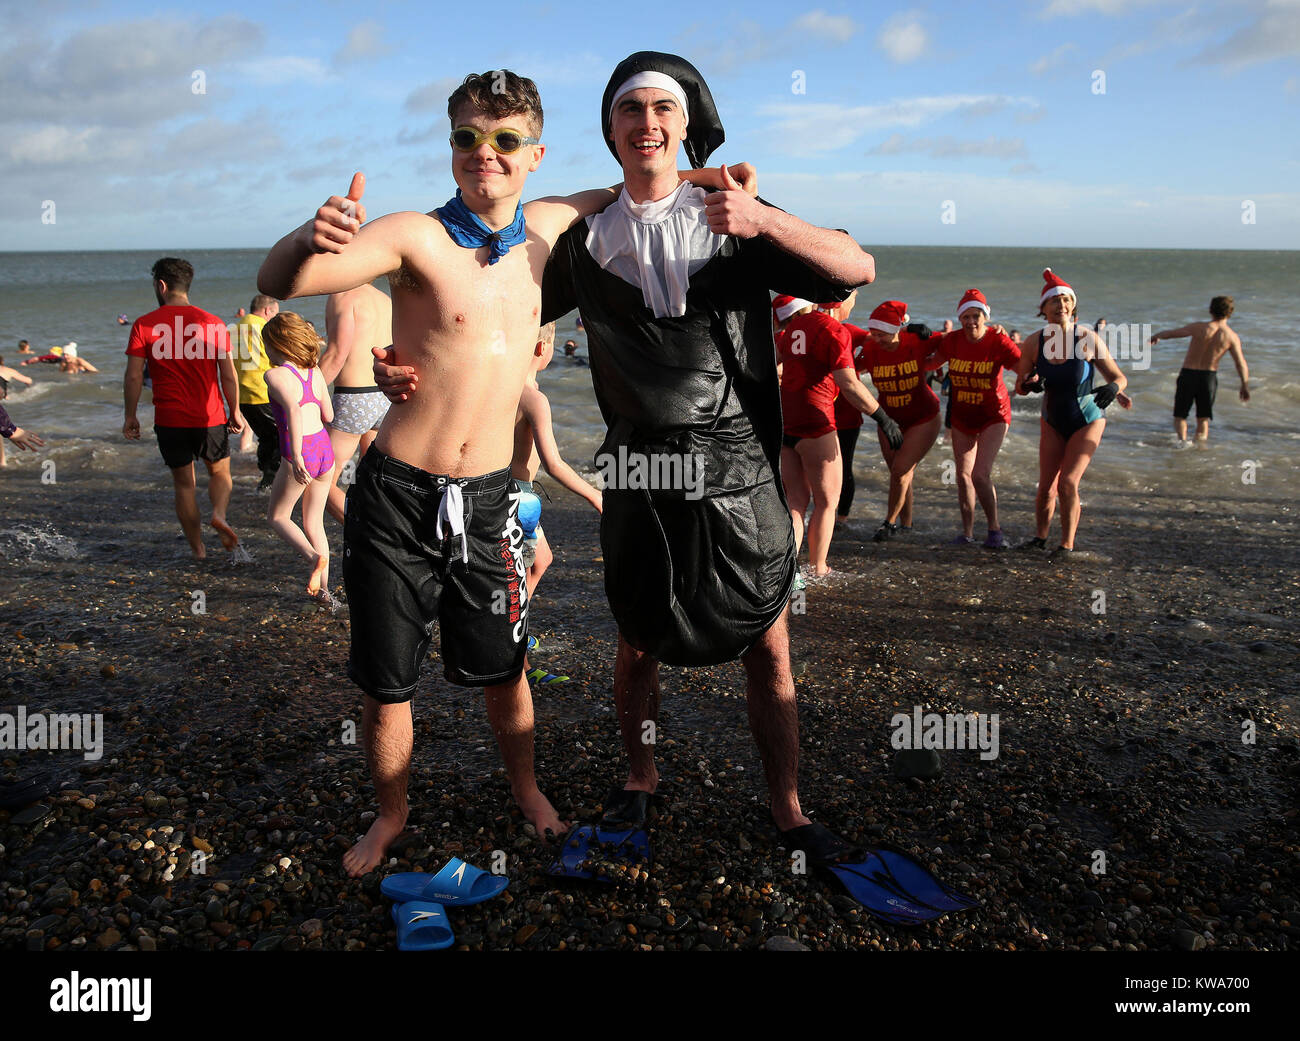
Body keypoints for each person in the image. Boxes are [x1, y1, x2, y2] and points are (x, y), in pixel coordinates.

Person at [261, 69, 737, 876]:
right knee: (387, 682)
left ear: (535, 154)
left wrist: (714, 179)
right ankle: (391, 815)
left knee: (507, 669)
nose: (486, 153)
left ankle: (528, 791)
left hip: (488, 503)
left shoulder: (554, 225)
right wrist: (312, 236)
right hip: (398, 494)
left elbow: (634, 183)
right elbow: (282, 283)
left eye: (505, 140)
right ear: (450, 148)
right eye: (467, 138)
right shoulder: (415, 234)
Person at [533, 52, 878, 857]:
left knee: (769, 642)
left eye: (663, 107)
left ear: (687, 124)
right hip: (639, 469)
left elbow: (855, 266)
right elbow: (492, 317)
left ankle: (788, 805)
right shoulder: (583, 244)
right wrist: (407, 369)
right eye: (630, 110)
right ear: (611, 130)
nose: (646, 120)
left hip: (741, 463)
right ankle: (640, 779)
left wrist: (764, 220)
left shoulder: (735, 213)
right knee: (635, 640)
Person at [123, 258, 244, 559]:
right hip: (210, 416)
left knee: (184, 485)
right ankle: (218, 513)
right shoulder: (213, 323)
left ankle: (198, 550)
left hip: (170, 419)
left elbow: (135, 375)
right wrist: (236, 410)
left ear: (161, 286)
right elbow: (227, 373)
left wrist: (130, 415)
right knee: (220, 473)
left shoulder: (144, 324)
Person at [776, 293, 897, 574]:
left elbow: (774, 363)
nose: (853, 304)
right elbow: (849, 384)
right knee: (827, 502)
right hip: (817, 422)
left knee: (795, 502)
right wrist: (883, 417)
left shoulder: (795, 327)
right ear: (841, 302)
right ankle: (818, 567)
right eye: (853, 298)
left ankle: (788, 572)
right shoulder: (835, 330)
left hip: (787, 420)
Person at [1015, 269, 1130, 558]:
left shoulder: (1087, 338)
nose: (1061, 305)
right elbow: (1020, 386)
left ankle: (1066, 544)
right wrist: (1032, 384)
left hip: (1088, 419)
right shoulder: (1033, 342)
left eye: (1066, 300)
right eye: (1054, 301)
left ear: (1073, 306)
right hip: (1052, 420)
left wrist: (1113, 389)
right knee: (1045, 488)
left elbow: (1119, 376)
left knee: (1067, 483)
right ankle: (1040, 538)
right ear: (1043, 309)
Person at [513, 321, 604, 685]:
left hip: (507, 491)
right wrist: (594, 494)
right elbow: (554, 464)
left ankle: (513, 629)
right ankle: (515, 654)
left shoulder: (504, 389)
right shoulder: (535, 399)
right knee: (518, 577)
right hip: (520, 497)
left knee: (540, 561)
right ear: (542, 349)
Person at [928, 289, 1021, 547]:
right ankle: (967, 533)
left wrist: (1032, 380)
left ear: (985, 317)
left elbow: (1022, 366)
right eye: (966, 317)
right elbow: (931, 363)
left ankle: (994, 529)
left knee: (980, 474)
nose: (971, 322)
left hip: (994, 414)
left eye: (976, 316)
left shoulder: (998, 341)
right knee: (963, 476)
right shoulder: (953, 341)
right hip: (962, 416)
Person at [853, 300, 943, 541]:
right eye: (873, 333)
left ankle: (889, 523)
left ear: (896, 330)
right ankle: (907, 524)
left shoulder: (915, 342)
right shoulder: (870, 350)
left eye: (882, 334)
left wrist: (926, 331)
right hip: (890, 420)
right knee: (900, 473)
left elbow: (955, 340)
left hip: (924, 417)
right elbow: (847, 369)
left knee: (901, 470)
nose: (876, 339)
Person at [261, 312, 336, 597]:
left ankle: (312, 557)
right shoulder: (315, 371)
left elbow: (292, 410)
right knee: (314, 522)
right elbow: (328, 414)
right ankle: (327, 594)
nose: (265, 350)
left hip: (301, 450)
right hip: (324, 448)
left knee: (277, 516)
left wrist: (296, 457)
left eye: (266, 344)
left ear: (278, 344)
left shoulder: (275, 374)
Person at [319, 282, 393, 523]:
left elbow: (336, 353)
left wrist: (307, 395)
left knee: (320, 481)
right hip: (384, 394)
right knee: (366, 476)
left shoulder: (343, 295)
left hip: (354, 395)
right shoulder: (385, 299)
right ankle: (379, 529)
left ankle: (363, 537)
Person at [1149, 296, 1249, 443]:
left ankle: (1182, 442)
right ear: (1230, 312)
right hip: (1208, 378)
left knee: (1180, 416)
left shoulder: (1199, 328)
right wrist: (1244, 384)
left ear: (1211, 310)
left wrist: (1157, 336)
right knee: (1203, 419)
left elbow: (1173, 333)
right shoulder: (1231, 336)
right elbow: (1240, 363)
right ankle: (1199, 447)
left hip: (1188, 374)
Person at [232, 295, 282, 482]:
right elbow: (277, 360)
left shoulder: (236, 328)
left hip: (243, 396)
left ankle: (266, 477)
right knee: (279, 438)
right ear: (267, 310)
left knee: (266, 438)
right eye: (275, 313)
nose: (274, 317)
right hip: (263, 392)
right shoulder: (264, 328)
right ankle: (271, 480)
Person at [0, 369, 44, 466]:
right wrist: (10, 430)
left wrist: (7, 430)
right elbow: (28, 380)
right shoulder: (7, 370)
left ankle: (2, 463)